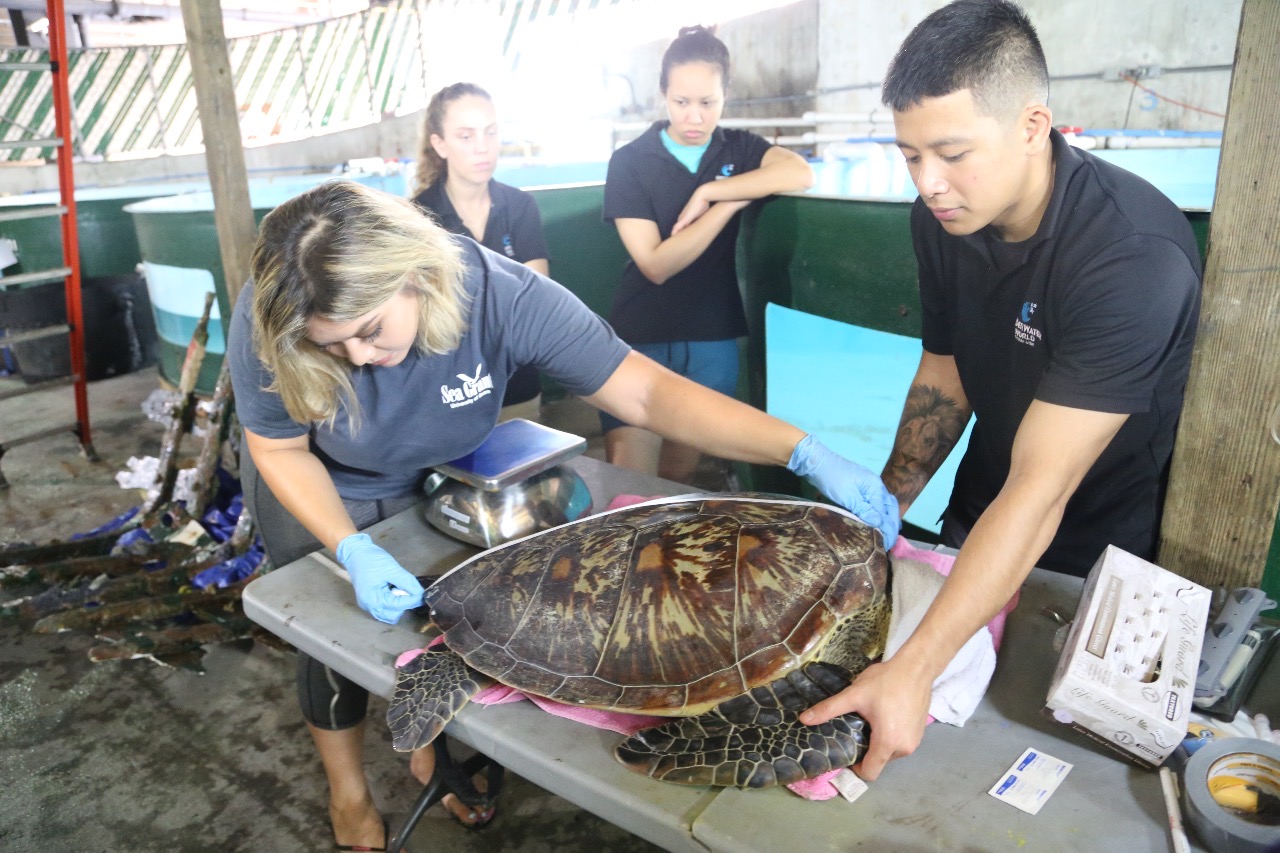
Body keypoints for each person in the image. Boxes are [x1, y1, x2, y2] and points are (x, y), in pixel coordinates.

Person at [227, 179, 899, 850]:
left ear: (416, 275)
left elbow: (643, 388)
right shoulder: (278, 316)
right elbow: (279, 447)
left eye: (371, 331)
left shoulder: (500, 294)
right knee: (329, 643)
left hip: (441, 478)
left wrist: (802, 449)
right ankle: (347, 791)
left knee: (463, 633)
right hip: (318, 482)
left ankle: (438, 758)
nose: (357, 357)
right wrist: (350, 546)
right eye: (332, 345)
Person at [798, 0, 1201, 782]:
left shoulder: (1129, 257)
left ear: (1032, 124)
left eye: (950, 152)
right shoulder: (941, 220)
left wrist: (913, 669)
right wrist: (884, 508)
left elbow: (1042, 493)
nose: (929, 183)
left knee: (1011, 756)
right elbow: (945, 370)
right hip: (978, 513)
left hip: (1086, 553)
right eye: (909, 155)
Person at [602, 25, 816, 484]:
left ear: (726, 95)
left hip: (712, 336)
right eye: (681, 102)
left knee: (677, 481)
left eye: (708, 102)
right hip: (641, 332)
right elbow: (656, 265)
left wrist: (717, 188)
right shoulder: (629, 161)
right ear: (663, 95)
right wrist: (724, 205)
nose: (694, 117)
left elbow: (799, 173)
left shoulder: (738, 148)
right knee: (631, 487)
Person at [412, 81, 548, 422]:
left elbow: (535, 299)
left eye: (490, 132)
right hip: (451, 391)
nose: (483, 148)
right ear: (439, 145)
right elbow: (427, 318)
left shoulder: (520, 206)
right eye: (466, 136)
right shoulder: (417, 218)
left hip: (518, 383)